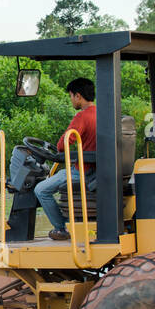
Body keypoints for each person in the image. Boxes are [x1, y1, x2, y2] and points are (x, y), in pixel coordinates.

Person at [33, 78, 97, 241]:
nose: (71, 100)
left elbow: (62, 145)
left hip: (83, 171)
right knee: (61, 175)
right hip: (97, 170)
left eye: (71, 96)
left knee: (41, 190)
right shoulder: (102, 114)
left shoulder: (81, 117)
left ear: (78, 96)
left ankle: (61, 228)